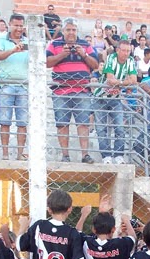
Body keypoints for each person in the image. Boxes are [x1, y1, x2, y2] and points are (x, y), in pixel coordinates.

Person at [46, 20, 99, 163]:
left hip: (81, 90)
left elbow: (95, 65)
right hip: (60, 91)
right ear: (63, 31)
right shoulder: (54, 44)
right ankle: (65, 156)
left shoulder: (86, 45)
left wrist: (84, 55)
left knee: (83, 123)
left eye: (73, 30)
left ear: (77, 31)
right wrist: (61, 55)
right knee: (62, 123)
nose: (71, 33)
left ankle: (84, 155)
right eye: (68, 30)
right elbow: (46, 62)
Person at [95, 40, 137, 164]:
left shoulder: (130, 61)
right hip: (100, 96)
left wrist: (119, 83)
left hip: (115, 97)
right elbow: (109, 80)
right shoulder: (111, 58)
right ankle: (106, 156)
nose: (126, 53)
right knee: (101, 129)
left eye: (128, 51)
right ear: (118, 50)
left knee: (120, 128)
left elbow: (134, 80)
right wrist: (125, 82)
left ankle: (119, 155)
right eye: (124, 50)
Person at [0, 14, 29, 160]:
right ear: (9, 25)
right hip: (6, 85)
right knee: (4, 121)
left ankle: (20, 154)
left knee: (22, 123)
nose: (19, 28)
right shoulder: (1, 40)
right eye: (16, 25)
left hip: (24, 86)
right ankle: (5, 154)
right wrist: (13, 50)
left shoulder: (28, 42)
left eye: (21, 25)